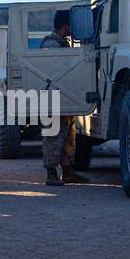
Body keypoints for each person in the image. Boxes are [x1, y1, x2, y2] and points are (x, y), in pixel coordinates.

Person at [39, 10, 87, 186]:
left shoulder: (61, 43)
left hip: (65, 96)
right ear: (65, 25)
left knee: (68, 135)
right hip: (53, 98)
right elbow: (53, 72)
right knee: (53, 135)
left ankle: (67, 171)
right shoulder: (51, 45)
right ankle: (51, 173)